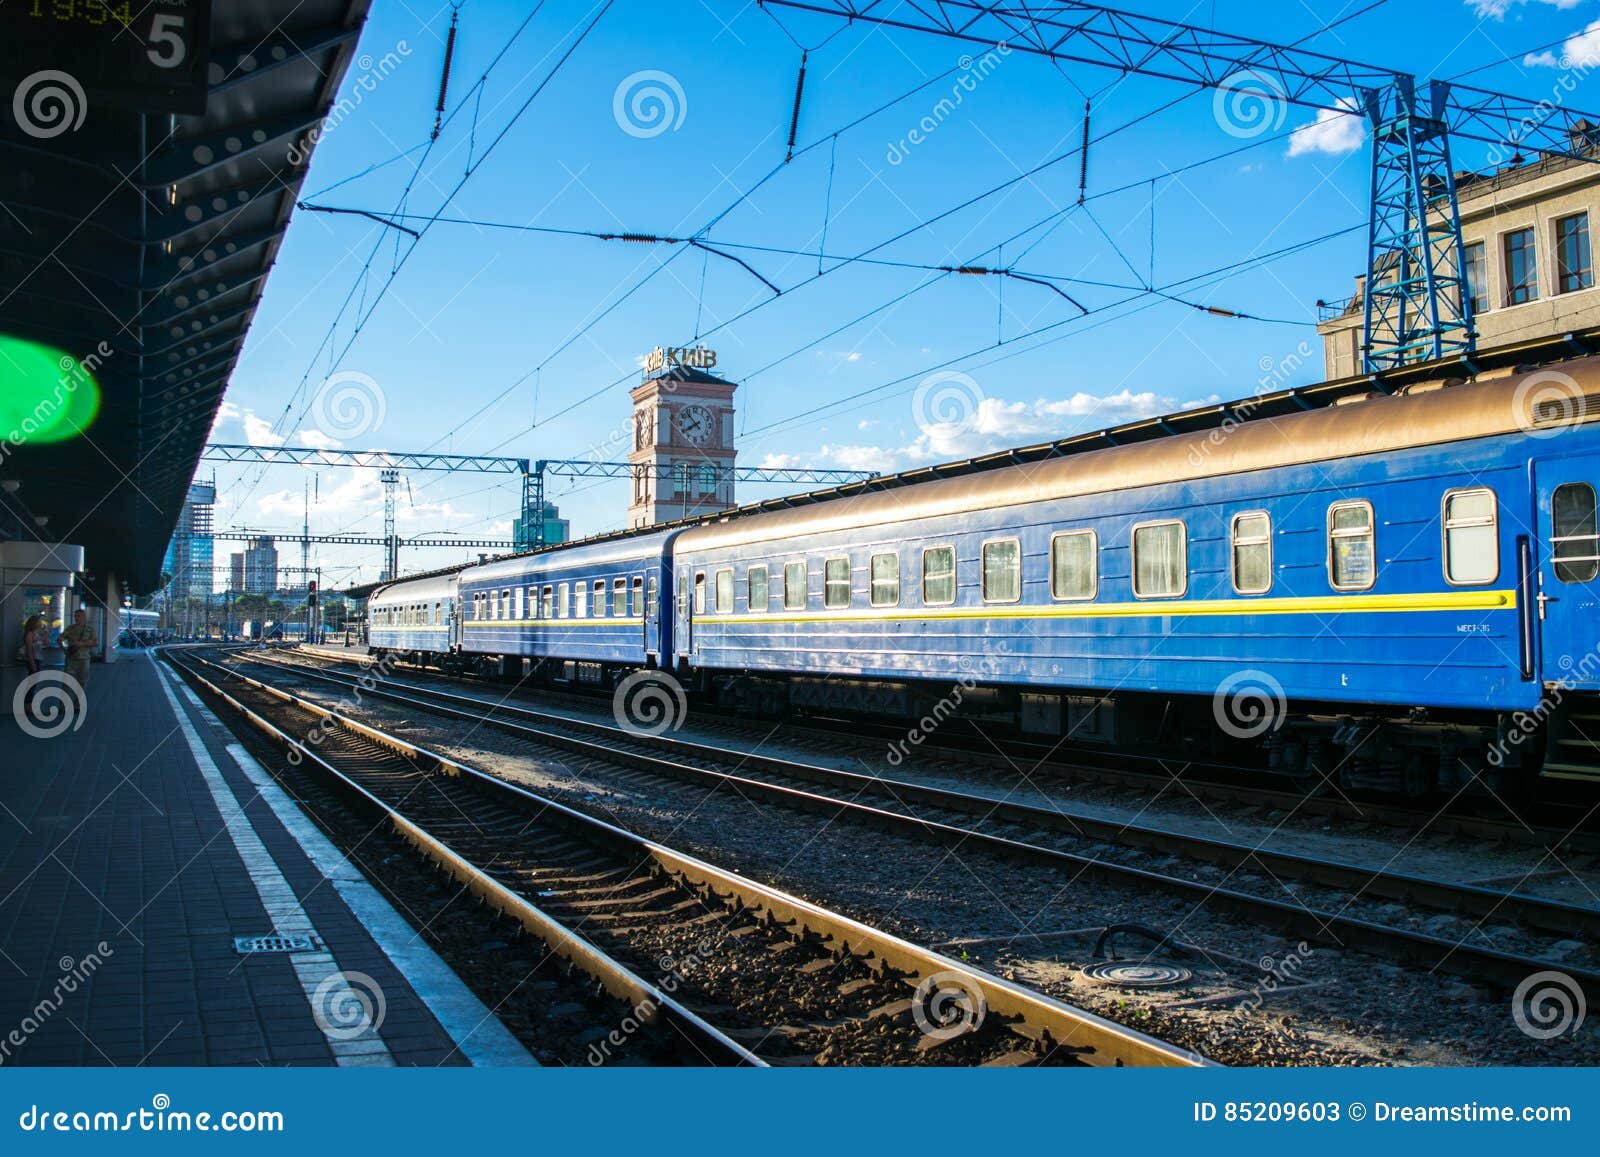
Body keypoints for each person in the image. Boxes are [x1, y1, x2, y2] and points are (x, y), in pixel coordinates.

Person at [59, 608, 97, 692]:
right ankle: (64, 702)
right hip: (71, 658)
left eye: (78, 616)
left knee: (82, 682)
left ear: (84, 617)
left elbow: (95, 643)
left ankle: (78, 703)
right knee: (67, 682)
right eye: (75, 616)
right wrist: (64, 650)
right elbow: (59, 639)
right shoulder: (70, 628)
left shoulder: (90, 629)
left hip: (84, 659)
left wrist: (83, 644)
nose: (76, 618)